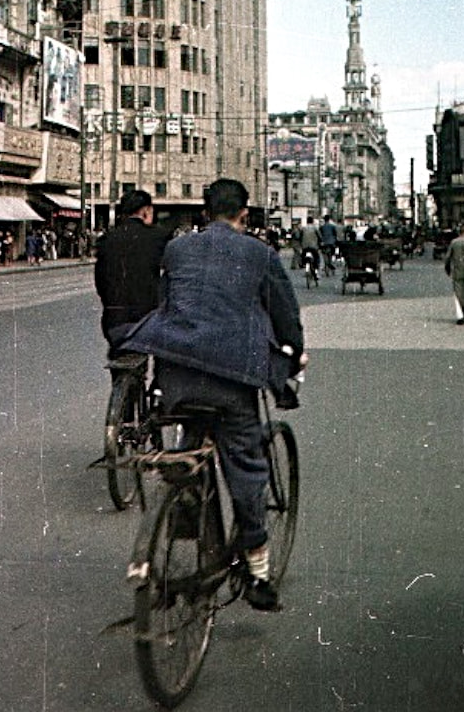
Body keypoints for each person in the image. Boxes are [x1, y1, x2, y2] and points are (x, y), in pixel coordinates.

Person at [122, 179, 307, 613]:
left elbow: (168, 303)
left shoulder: (177, 248)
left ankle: (181, 519)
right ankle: (257, 571)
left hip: (176, 370)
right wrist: (295, 352)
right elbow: (286, 313)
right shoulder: (259, 253)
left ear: (204, 213)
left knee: (189, 444)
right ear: (244, 214)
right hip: (230, 376)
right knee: (246, 465)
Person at [94, 188, 169, 359]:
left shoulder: (107, 239)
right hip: (149, 319)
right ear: (146, 211)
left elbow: (100, 282)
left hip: (114, 320)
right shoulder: (159, 237)